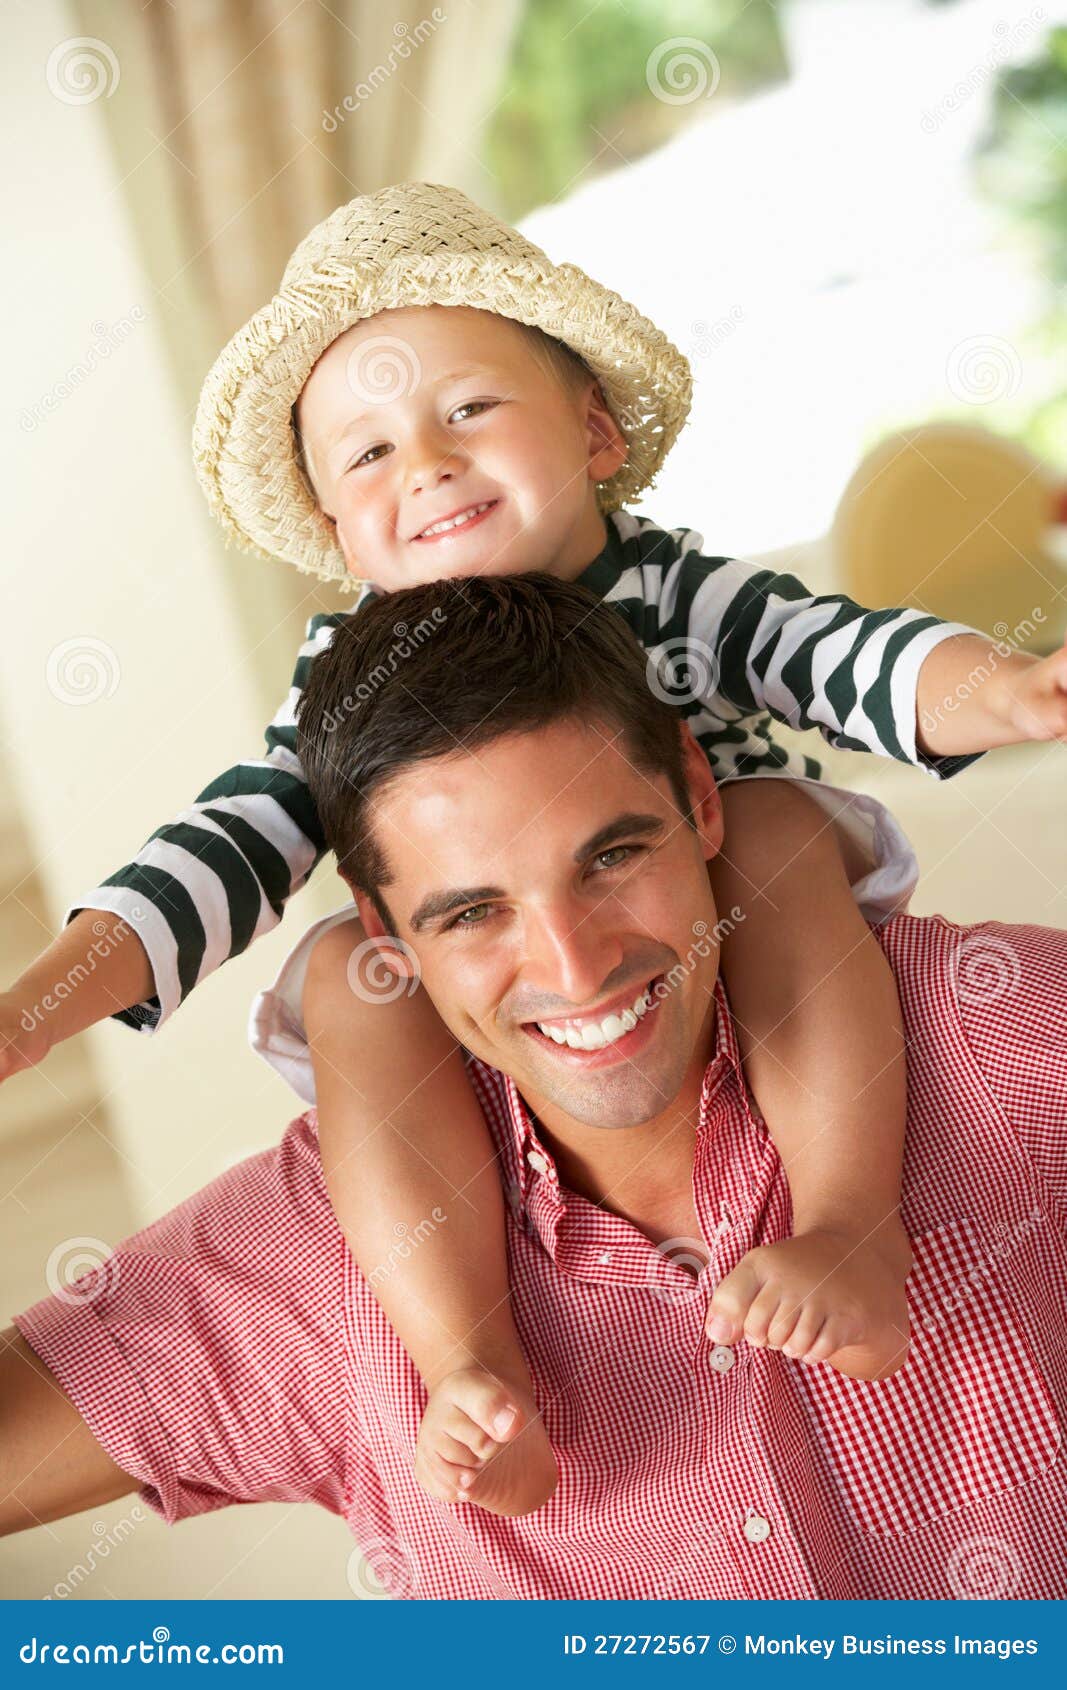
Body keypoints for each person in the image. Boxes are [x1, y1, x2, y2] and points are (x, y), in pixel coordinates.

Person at [4, 183, 1067, 1519]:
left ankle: (848, 1223)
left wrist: (1007, 690)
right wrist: (35, 1008)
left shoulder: (676, 590)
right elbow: (216, 851)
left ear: (593, 427)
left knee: (780, 828)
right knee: (343, 976)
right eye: (369, 454)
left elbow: (848, 656)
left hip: (747, 919)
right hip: (488, 1060)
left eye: (465, 411)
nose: (428, 465)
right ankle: (469, 1361)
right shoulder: (352, 681)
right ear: (337, 532)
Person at [4, 574, 1065, 1603]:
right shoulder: (325, 1246)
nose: (572, 963)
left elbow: (857, 660)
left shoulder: (987, 1035)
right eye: (471, 912)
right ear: (386, 931)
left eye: (609, 856)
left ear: (699, 800)